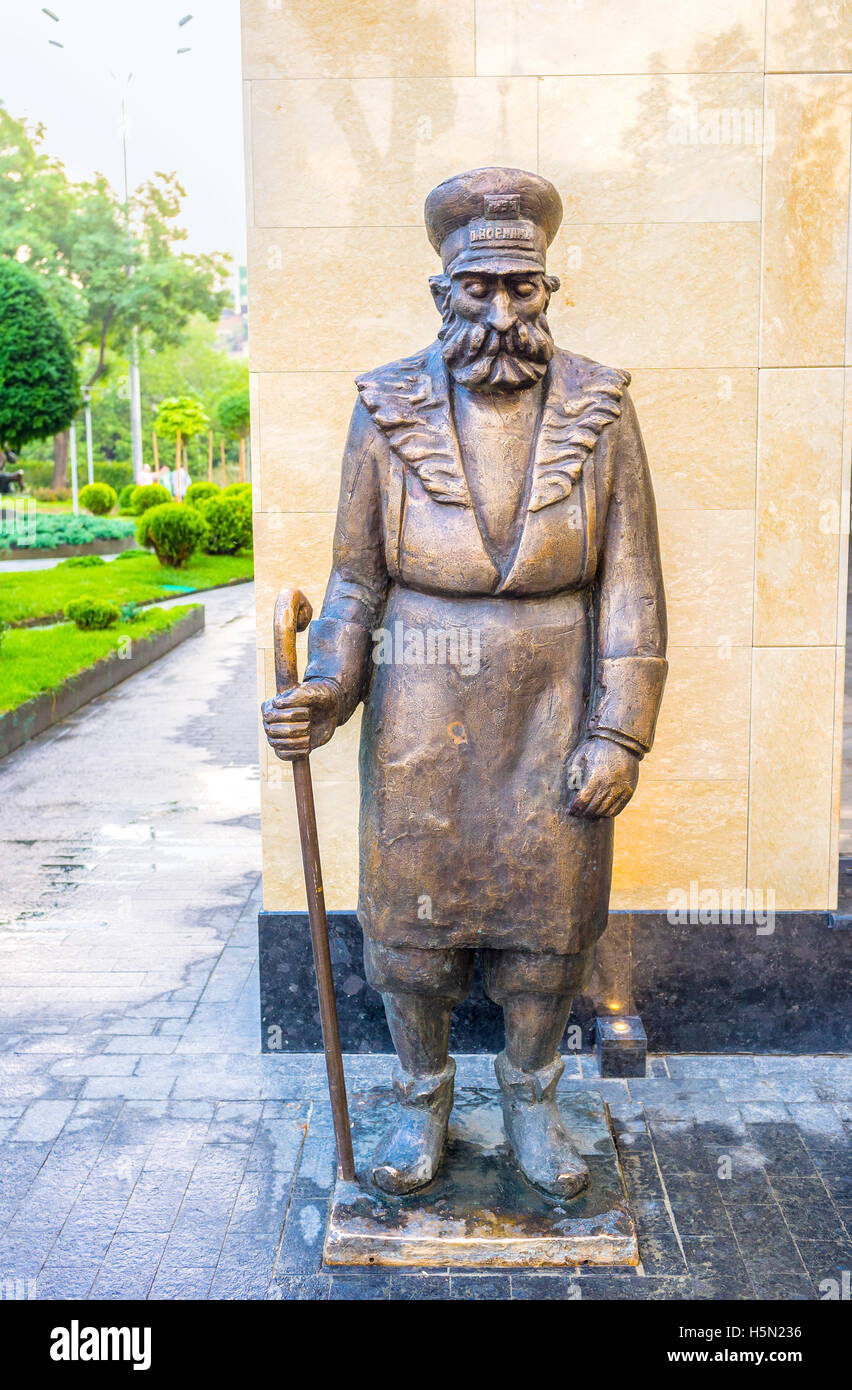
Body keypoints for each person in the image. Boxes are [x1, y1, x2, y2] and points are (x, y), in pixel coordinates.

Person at [262, 167, 667, 1199]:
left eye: (520, 289)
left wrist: (619, 733)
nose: (500, 310)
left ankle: (534, 1103)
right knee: (413, 939)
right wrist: (325, 686)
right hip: (419, 715)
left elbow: (632, 588)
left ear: (549, 290)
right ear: (442, 291)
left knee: (545, 933)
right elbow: (353, 584)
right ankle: (421, 1105)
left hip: (554, 708)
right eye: (477, 288)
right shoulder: (383, 407)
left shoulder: (604, 408)